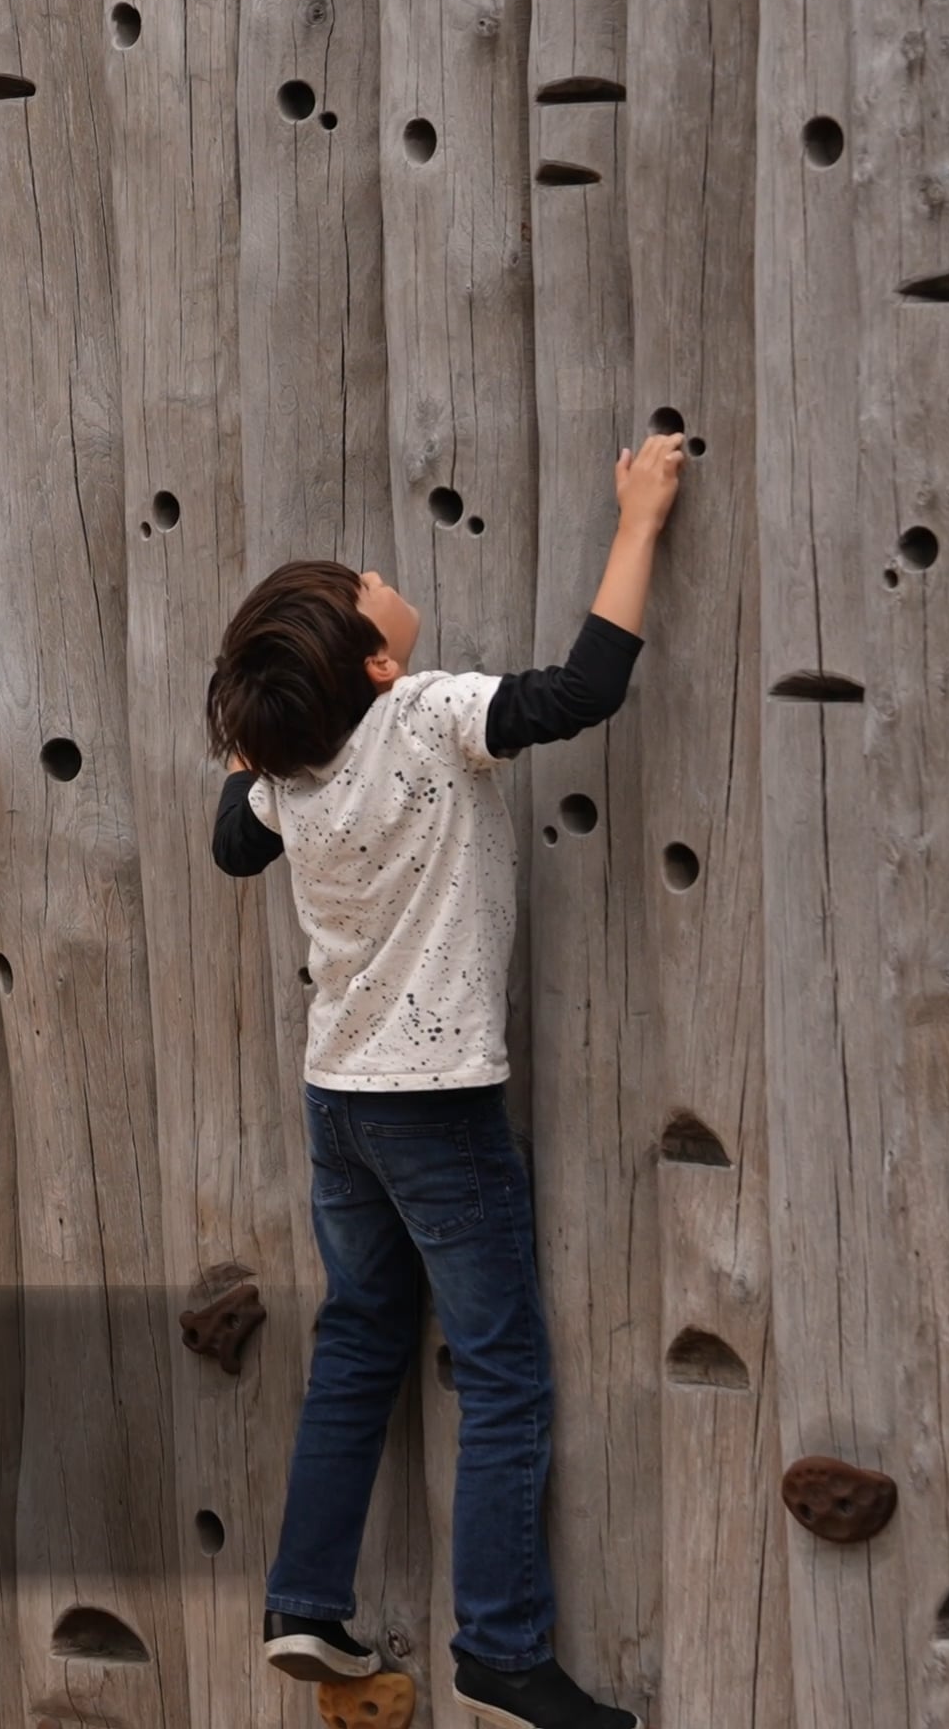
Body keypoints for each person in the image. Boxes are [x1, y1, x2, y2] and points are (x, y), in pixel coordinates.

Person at [205, 433, 687, 1729]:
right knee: (503, 1367)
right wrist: (638, 519)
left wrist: (264, 750)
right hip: (436, 1109)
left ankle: (306, 1601)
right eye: (368, 591)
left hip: (339, 1105)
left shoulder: (290, 775)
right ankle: (504, 1648)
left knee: (361, 1338)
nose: (379, 573)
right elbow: (581, 692)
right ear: (379, 663)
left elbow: (225, 842)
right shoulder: (425, 718)